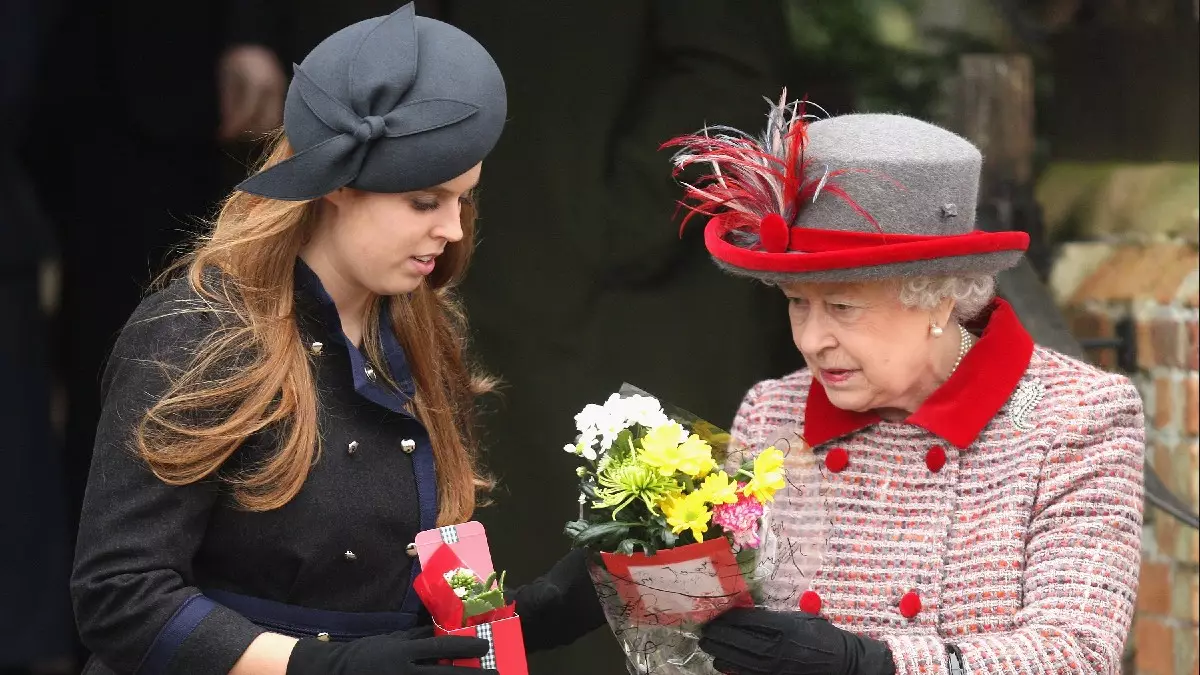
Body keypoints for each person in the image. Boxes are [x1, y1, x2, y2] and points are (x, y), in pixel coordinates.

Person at [70, 5, 601, 674]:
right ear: (338, 184)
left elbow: (403, 616)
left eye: (462, 201)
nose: (454, 231)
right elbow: (118, 594)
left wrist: (550, 608)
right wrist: (316, 666)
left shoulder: (419, 328)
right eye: (425, 201)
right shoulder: (194, 330)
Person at [663, 99, 1145, 675]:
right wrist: (641, 569)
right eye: (797, 304)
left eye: (842, 307)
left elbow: (1078, 654)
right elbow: (710, 623)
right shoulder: (773, 410)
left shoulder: (1077, 416)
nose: (813, 340)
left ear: (937, 298)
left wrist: (872, 664)